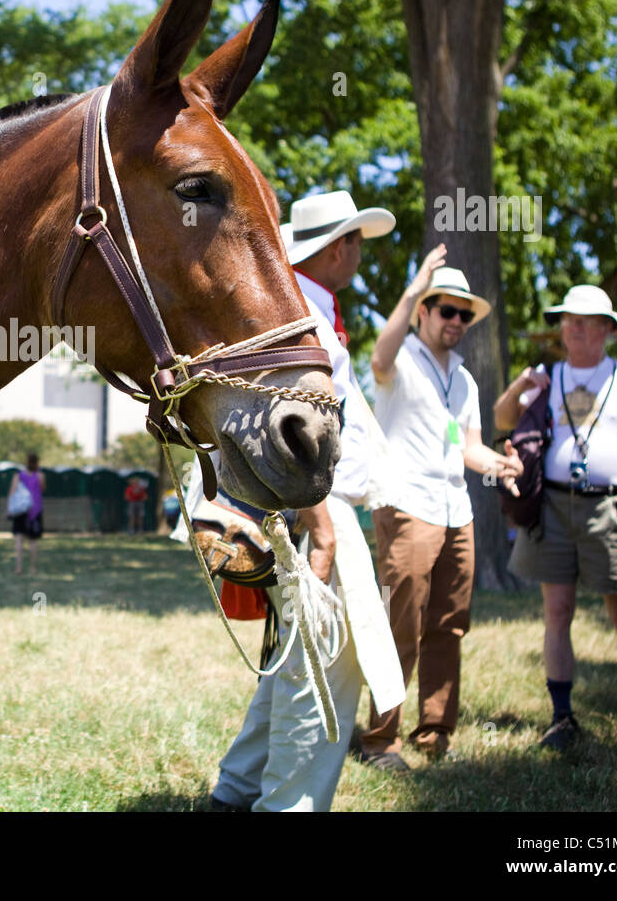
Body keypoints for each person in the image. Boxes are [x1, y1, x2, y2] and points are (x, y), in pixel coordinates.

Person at [209, 190, 405, 811]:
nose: (359, 255)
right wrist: (323, 529)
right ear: (341, 245)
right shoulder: (306, 317)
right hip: (320, 512)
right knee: (320, 675)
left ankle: (237, 789)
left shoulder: (306, 309)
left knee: (296, 657)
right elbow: (293, 432)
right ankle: (285, 805)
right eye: (357, 243)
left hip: (315, 512)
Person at [362, 246, 522, 770]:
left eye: (465, 314)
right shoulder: (401, 356)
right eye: (446, 309)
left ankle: (434, 733)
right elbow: (377, 360)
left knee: (449, 625)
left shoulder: (466, 378)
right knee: (401, 623)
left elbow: (468, 446)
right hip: (407, 505)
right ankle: (381, 740)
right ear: (424, 311)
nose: (457, 321)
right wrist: (415, 284)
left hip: (457, 511)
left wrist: (499, 465)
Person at [495, 285, 617, 749]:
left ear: (608, 329)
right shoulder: (548, 375)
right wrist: (520, 386)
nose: (573, 328)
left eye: (586, 320)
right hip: (552, 506)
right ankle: (562, 717)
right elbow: (503, 419)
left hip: (613, 509)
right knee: (557, 611)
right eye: (567, 319)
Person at [8, 454, 45, 576]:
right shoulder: (40, 476)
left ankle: (19, 568)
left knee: (19, 539)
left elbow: (12, 492)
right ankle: (33, 568)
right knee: (33, 541)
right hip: (35, 511)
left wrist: (9, 509)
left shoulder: (18, 476)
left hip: (20, 511)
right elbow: (43, 488)